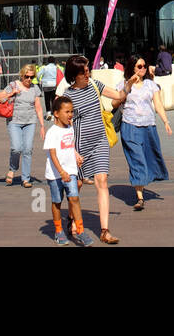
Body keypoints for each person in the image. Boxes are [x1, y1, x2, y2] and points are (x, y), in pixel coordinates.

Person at [62, 55, 126, 244]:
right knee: (78, 184)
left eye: (88, 69)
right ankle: (72, 217)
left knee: (102, 180)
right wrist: (72, 151)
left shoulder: (95, 84)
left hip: (100, 141)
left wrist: (129, 82)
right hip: (80, 145)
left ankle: (105, 231)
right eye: (85, 71)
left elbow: (118, 96)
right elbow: (65, 126)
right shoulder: (68, 96)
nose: (88, 73)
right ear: (75, 75)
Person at [120, 57, 172, 211]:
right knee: (137, 159)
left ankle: (141, 186)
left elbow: (158, 104)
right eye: (139, 66)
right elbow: (115, 103)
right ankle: (140, 197)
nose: (143, 69)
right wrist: (128, 86)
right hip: (129, 126)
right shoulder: (123, 83)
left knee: (150, 158)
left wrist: (166, 122)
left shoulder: (151, 85)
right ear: (132, 68)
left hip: (148, 126)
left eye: (144, 66)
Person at [43, 96, 91, 245]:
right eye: (67, 112)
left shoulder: (70, 128)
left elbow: (69, 146)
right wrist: (61, 172)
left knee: (74, 198)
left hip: (70, 171)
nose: (70, 115)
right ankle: (58, 231)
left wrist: (76, 156)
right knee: (57, 201)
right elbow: (53, 154)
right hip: (55, 173)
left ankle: (81, 231)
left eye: (71, 111)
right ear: (56, 113)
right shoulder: (52, 132)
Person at [0, 64, 45, 187]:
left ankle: (26, 179)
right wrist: (11, 93)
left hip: (30, 122)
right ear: (22, 75)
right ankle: (12, 169)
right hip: (14, 121)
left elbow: (38, 108)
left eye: (32, 77)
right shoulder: (14, 85)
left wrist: (42, 125)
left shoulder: (35, 88)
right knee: (16, 148)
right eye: (27, 77)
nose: (29, 79)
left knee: (28, 149)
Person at [38, 56, 59, 121]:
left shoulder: (45, 68)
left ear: (48, 61)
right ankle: (53, 114)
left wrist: (40, 80)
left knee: (47, 99)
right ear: (54, 61)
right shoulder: (56, 68)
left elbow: (38, 75)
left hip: (46, 84)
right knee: (53, 100)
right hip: (54, 84)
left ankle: (48, 113)